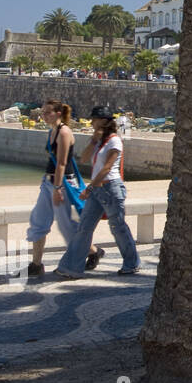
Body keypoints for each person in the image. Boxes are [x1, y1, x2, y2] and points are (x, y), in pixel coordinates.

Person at [57, 107, 141, 278]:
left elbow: (107, 167)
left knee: (118, 227)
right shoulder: (100, 141)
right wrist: (93, 141)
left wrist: (89, 188)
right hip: (97, 189)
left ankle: (132, 263)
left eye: (94, 119)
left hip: (110, 188)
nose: (91, 122)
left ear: (103, 120)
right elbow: (84, 159)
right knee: (84, 227)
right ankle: (71, 267)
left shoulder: (114, 141)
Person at [24, 100, 93, 276]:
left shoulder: (64, 132)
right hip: (48, 182)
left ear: (58, 113)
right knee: (38, 221)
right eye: (43, 112)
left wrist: (57, 188)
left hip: (63, 184)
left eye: (48, 112)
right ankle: (36, 265)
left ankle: (92, 252)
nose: (44, 115)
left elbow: (62, 163)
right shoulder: (52, 131)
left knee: (67, 226)